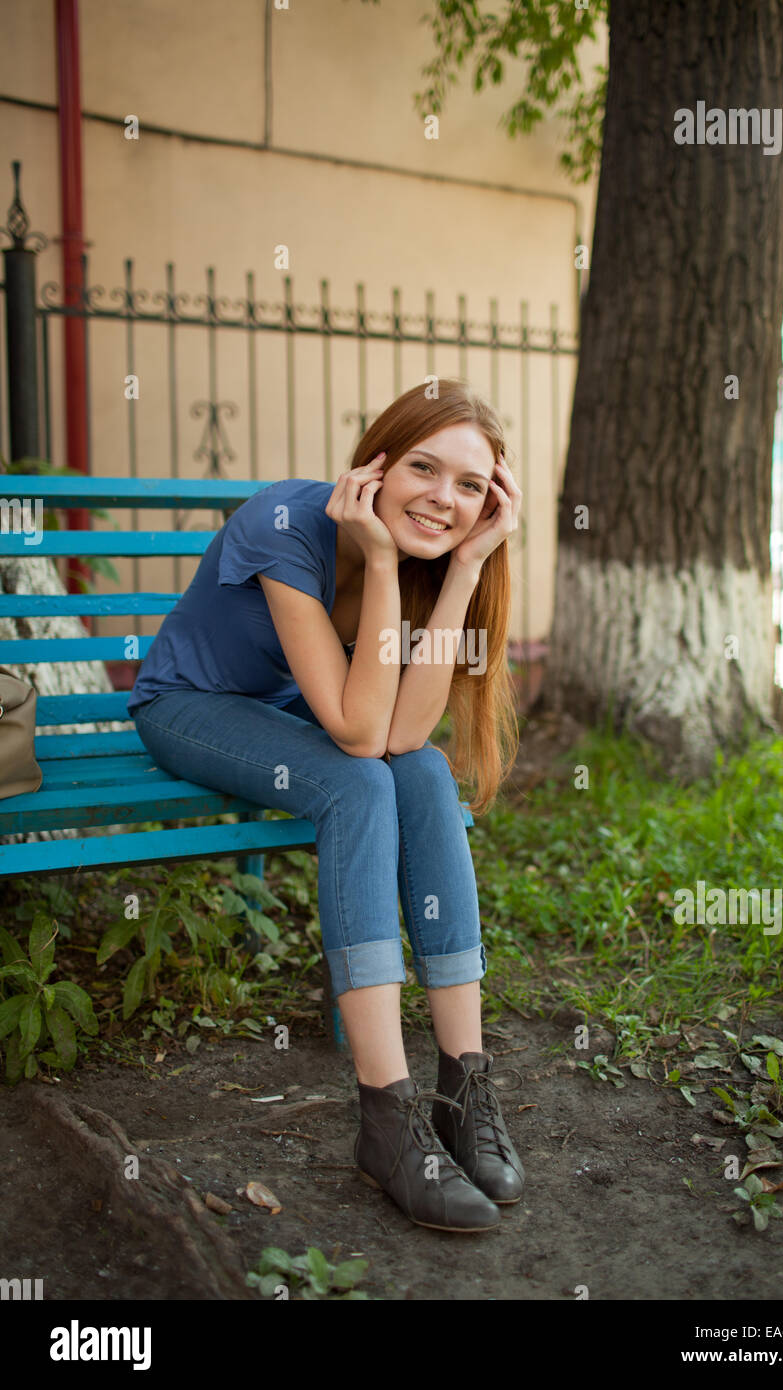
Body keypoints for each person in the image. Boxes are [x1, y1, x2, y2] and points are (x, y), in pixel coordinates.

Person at [127, 378, 524, 1232]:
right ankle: (387, 1114)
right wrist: (378, 558)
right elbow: (353, 734)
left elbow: (405, 737)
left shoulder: (433, 561)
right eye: (423, 467)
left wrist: (463, 569)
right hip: (190, 705)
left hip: (283, 713)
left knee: (419, 778)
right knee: (356, 784)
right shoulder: (287, 524)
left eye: (469, 486)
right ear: (376, 461)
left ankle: (465, 1083)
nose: (442, 499)